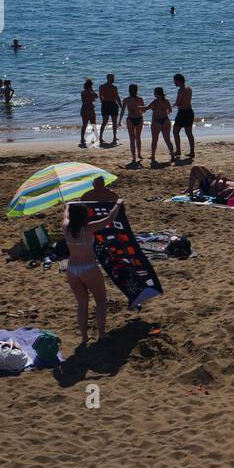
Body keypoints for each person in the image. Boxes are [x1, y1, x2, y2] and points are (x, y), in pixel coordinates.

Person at [61, 199, 122, 347]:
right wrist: (118, 203)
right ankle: (102, 334)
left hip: (72, 269)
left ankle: (84, 337)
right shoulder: (89, 228)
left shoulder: (66, 227)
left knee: (82, 304)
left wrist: (67, 205)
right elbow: (110, 218)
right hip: (89, 267)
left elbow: (66, 215)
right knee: (100, 301)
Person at [145, 87, 175, 165]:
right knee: (167, 140)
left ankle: (153, 156)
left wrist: (138, 108)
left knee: (155, 140)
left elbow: (146, 108)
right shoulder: (166, 101)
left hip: (156, 121)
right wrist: (163, 112)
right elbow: (170, 110)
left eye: (154, 92)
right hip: (166, 120)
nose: (153, 94)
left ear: (156, 93)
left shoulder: (155, 101)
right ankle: (172, 156)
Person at [122, 84, 146, 166]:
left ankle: (134, 157)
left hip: (131, 119)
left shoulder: (126, 99)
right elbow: (143, 110)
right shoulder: (140, 99)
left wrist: (119, 121)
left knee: (133, 139)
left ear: (129, 90)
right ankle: (138, 154)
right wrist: (138, 109)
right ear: (137, 90)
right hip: (138, 118)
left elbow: (122, 111)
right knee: (137, 138)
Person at [173, 73, 194, 159]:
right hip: (189, 112)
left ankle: (178, 150)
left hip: (182, 113)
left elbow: (179, 103)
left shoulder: (180, 91)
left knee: (175, 131)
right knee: (189, 133)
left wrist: (171, 106)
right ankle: (192, 152)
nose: (174, 82)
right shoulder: (189, 88)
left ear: (179, 81)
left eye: (175, 81)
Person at [99, 74, 120, 146]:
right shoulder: (114, 87)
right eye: (112, 78)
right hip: (112, 104)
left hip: (105, 104)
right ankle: (113, 137)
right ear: (109, 78)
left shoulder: (102, 86)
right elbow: (117, 97)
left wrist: (103, 103)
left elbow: (100, 97)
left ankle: (102, 137)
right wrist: (121, 105)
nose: (113, 79)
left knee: (105, 122)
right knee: (113, 122)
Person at [79, 78, 98, 148]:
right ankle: (93, 138)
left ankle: (82, 139)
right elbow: (96, 97)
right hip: (90, 110)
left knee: (84, 125)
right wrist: (92, 91)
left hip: (83, 109)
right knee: (93, 124)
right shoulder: (90, 92)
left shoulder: (82, 92)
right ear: (90, 86)